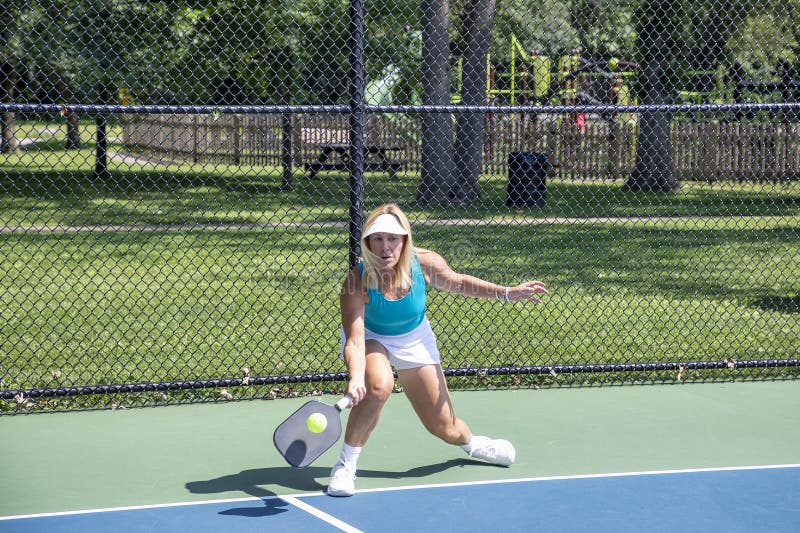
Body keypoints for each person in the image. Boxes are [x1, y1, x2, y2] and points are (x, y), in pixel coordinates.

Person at [328, 203, 548, 497]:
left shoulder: (425, 263)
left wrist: (507, 293)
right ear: (368, 243)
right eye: (377, 239)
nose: (385, 247)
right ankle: (345, 466)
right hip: (370, 336)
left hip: (413, 337)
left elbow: (458, 283)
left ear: (404, 240)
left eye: (392, 238)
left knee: (445, 427)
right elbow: (355, 340)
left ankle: (472, 444)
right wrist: (356, 378)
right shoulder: (356, 282)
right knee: (378, 385)